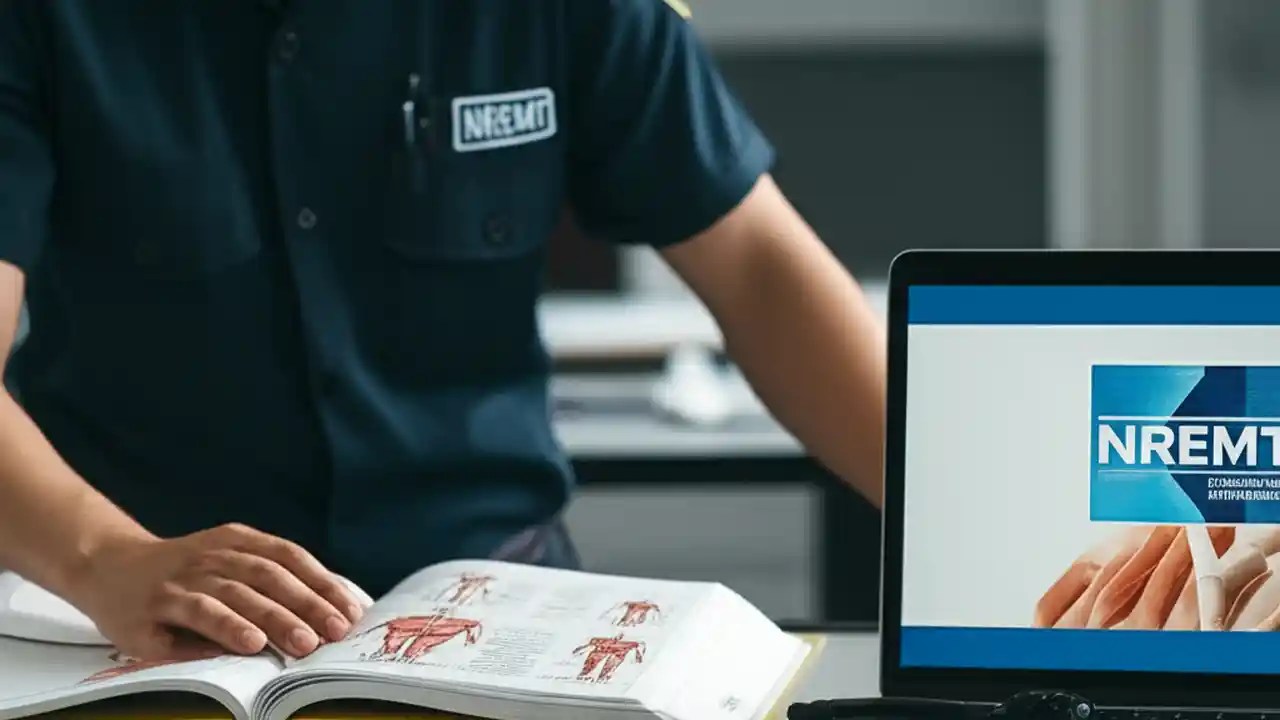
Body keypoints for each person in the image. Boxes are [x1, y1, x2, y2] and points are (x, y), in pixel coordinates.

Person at [0, 1, 886, 662]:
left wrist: (960, 523)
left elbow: (764, 273)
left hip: (497, 605)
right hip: (136, 612)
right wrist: (101, 555)